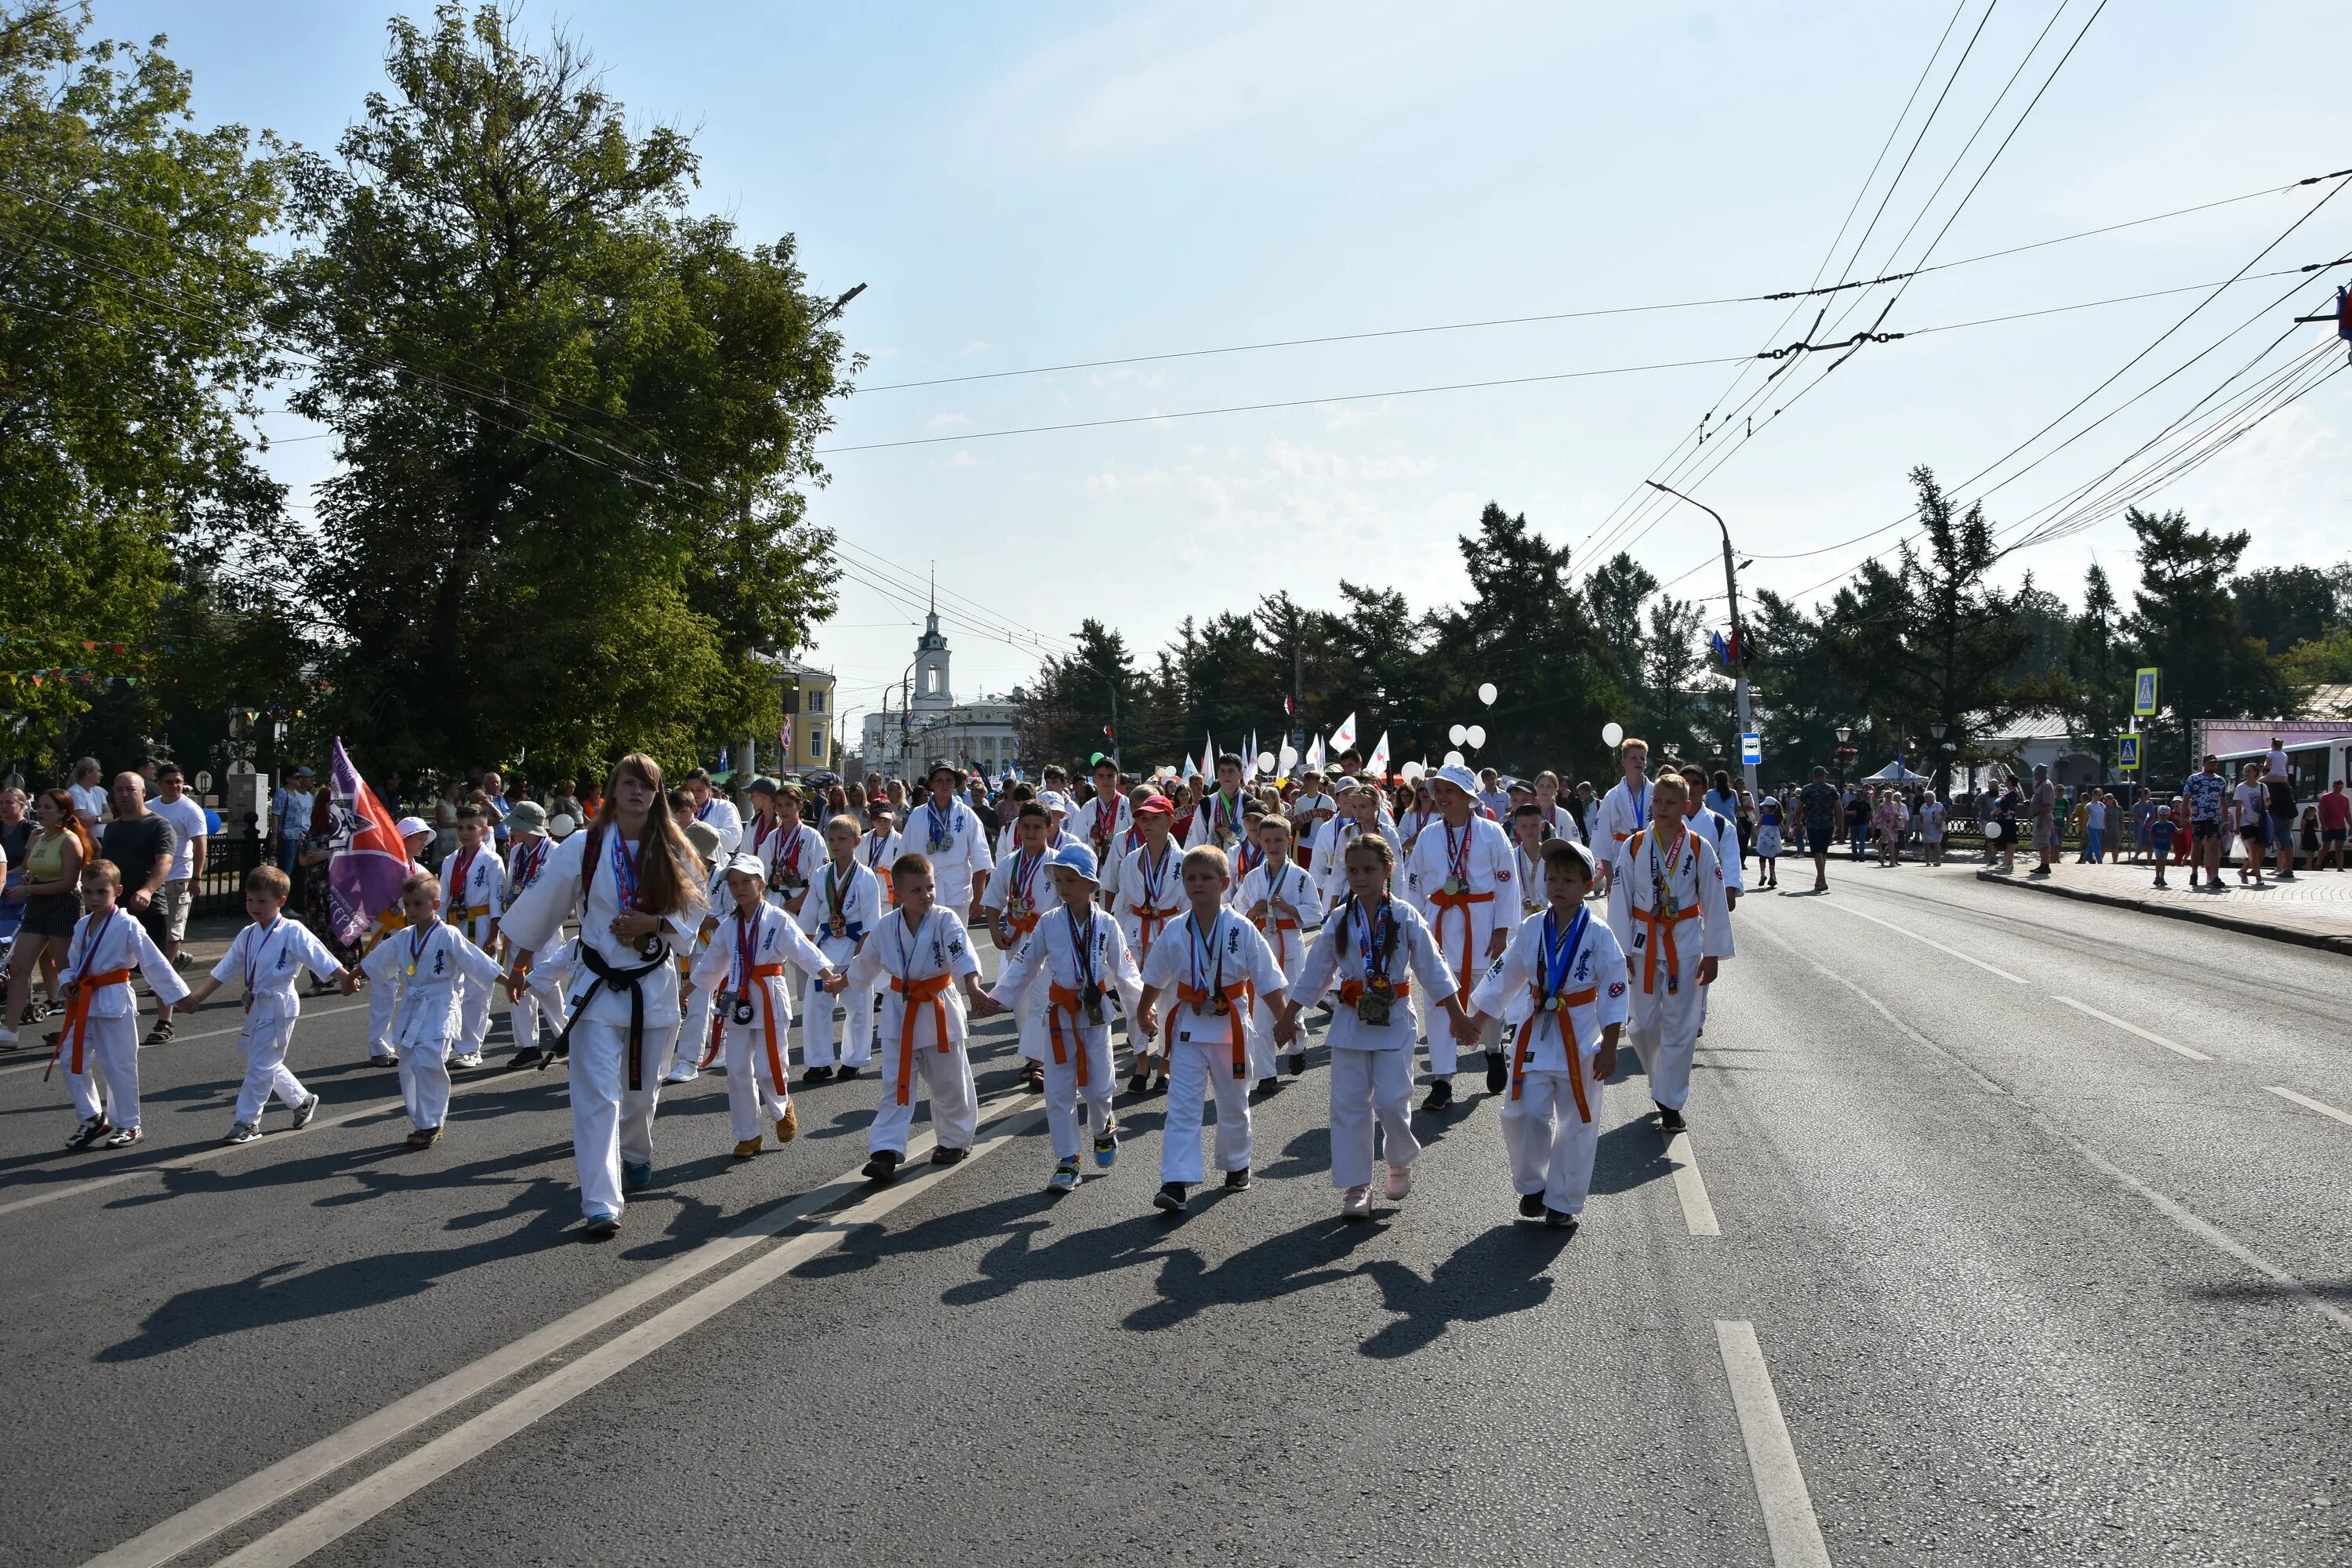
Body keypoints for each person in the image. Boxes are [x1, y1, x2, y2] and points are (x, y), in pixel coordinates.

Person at [499, 753, 707, 1237]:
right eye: (628, 783)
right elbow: (546, 902)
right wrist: (520, 960)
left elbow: (696, 913)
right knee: (595, 1098)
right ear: (614, 791)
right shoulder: (582, 846)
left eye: (647, 786)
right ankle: (599, 1201)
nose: (637, 792)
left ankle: (636, 1153)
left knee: (640, 1096)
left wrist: (654, 923)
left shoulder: (676, 850)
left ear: (656, 796)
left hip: (651, 988)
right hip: (595, 988)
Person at [1285, 833, 1460, 1220]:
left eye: (1369, 869)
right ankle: (1357, 1186)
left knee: (1392, 1102)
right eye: (1353, 870)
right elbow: (1316, 971)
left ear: (1387, 870)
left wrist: (1458, 1014)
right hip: (1351, 1019)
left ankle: (1399, 1159)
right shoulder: (1339, 918)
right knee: (1348, 1105)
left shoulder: (1405, 915)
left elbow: (1433, 967)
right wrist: (1289, 1014)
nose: (1360, 877)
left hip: (1394, 1017)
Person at [1463, 837, 1628, 1231]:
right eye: (1552, 878)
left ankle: (1563, 1201)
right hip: (1536, 1031)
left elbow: (1614, 989)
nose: (1558, 886)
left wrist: (1610, 1045)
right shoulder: (1533, 927)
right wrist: (1476, 1021)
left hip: (1582, 1034)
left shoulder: (1600, 934)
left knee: (1578, 1121)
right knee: (1523, 1112)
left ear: (1589, 886)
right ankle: (1533, 1184)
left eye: (1569, 880)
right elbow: (1505, 977)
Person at [1133, 845, 1291, 1214]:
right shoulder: (1174, 930)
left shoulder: (1241, 928)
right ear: (1183, 884)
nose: (1198, 884)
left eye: (1206, 878)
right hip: (1189, 1026)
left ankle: (1236, 1163)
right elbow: (1155, 977)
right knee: (1182, 1105)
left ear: (1224, 883)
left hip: (1231, 1027)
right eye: (1191, 878)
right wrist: (1143, 1012)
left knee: (1233, 1101)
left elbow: (1267, 980)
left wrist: (1284, 1020)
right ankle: (1176, 1180)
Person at [981, 841, 1143, 1192]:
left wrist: (1143, 1012)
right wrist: (997, 998)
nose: (1064, 887)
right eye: (1059, 881)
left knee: (1099, 1090)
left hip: (1095, 1014)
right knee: (1058, 1092)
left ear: (1090, 885)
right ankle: (1068, 1160)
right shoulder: (1049, 924)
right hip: (1058, 1018)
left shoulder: (1108, 924)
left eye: (1071, 880)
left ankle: (1103, 1128)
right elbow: (1025, 964)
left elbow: (1127, 973)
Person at [181, 865, 357, 1145]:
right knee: (264, 1062)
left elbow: (319, 956)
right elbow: (224, 970)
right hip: (257, 1003)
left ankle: (247, 1121)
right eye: (250, 900)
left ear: (281, 902)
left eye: (263, 901)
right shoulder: (248, 934)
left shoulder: (292, 930)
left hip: (280, 1003)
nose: (255, 906)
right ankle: (302, 1100)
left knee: (260, 1066)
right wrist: (196, 997)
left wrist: (345, 978)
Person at [841, 853, 987, 1184]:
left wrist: (974, 988)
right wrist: (843, 980)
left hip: (937, 1006)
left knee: (949, 1080)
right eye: (918, 890)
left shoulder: (945, 919)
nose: (927, 895)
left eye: (930, 887)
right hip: (900, 1010)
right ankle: (886, 1150)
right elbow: (866, 963)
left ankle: (954, 1140)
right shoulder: (886, 926)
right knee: (896, 1084)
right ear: (899, 895)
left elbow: (962, 954)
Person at [688, 852, 842, 1159]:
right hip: (737, 996)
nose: (739, 888)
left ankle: (783, 1105)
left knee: (769, 1066)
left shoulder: (777, 919)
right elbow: (712, 963)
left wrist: (828, 974)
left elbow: (803, 949)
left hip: (769, 993)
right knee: (737, 1070)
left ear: (760, 883)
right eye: (733, 883)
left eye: (746, 881)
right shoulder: (728, 926)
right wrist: (687, 989)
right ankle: (749, 1134)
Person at [1606, 773, 1732, 1135]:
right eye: (1658, 801)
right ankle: (1660, 1080)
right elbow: (1620, 901)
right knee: (1642, 1025)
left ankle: (1671, 1103)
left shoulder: (1697, 847)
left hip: (1686, 943)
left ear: (1686, 807)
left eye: (1671, 803)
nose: (1662, 808)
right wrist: (1620, 950)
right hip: (1644, 943)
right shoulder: (1633, 846)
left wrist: (1713, 953)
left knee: (1681, 1026)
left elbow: (1713, 898)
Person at [54, 858, 192, 1149]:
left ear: (117, 890)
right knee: (71, 1058)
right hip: (84, 1000)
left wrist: (178, 995)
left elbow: (153, 960)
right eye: (88, 892)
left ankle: (129, 1124)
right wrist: (67, 981)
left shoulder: (127, 924)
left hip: (114, 998)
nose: (94, 898)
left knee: (118, 1064)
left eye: (101, 892)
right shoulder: (82, 926)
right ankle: (92, 1117)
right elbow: (73, 963)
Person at [358, 873, 504, 1148]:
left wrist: (508, 982)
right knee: (410, 1064)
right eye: (408, 905)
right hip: (415, 1005)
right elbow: (379, 960)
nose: (411, 911)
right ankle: (422, 1122)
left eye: (418, 905)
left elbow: (477, 962)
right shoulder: (404, 937)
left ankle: (433, 1121)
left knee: (430, 1060)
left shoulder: (449, 935)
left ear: (435, 905)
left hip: (441, 1005)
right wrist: (353, 974)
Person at [1400, 764, 1514, 1110]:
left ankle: (1493, 1051)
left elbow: (1508, 884)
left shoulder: (1493, 833)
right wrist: (1414, 931)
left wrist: (1501, 930)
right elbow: (1414, 886)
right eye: (1438, 791)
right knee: (1438, 999)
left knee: (1485, 998)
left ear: (1469, 797)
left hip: (1481, 924)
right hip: (1440, 924)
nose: (1443, 797)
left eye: (1450, 791)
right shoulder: (1429, 836)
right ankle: (1442, 1080)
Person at [1234, 813, 1324, 1086]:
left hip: (1290, 946)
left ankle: (1297, 1047)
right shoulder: (1252, 877)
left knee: (1291, 1009)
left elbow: (1317, 913)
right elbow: (1238, 910)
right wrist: (1252, 911)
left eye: (1279, 840)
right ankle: (1266, 1074)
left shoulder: (1300, 876)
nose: (1273, 846)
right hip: (1262, 947)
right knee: (1260, 1012)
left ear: (1289, 840)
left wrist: (1290, 909)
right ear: (1260, 842)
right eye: (1268, 840)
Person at [795, 815, 882, 1083]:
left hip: (855, 946)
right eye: (831, 839)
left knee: (858, 1006)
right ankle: (819, 1062)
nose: (835, 844)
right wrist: (806, 953)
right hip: (826, 950)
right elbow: (808, 918)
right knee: (816, 1005)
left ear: (856, 842)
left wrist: (861, 959)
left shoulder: (866, 877)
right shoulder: (821, 875)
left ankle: (854, 1059)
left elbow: (871, 925)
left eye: (842, 839)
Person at [2, 790, 90, 1046]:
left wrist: (28, 888)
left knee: (65, 970)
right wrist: (29, 879)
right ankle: (10, 1031)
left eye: (47, 807)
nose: (40, 811)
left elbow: (68, 884)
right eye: (39, 806)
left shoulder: (70, 841)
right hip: (37, 904)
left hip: (63, 906)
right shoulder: (37, 836)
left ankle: (75, 1027)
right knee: (19, 967)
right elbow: (29, 868)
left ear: (62, 813)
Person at [98, 772, 180, 1044]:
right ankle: (115, 1019)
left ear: (143, 792)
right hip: (115, 910)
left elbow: (165, 862)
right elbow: (105, 869)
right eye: (119, 790)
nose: (123, 795)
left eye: (130, 790)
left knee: (156, 966)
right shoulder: (112, 828)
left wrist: (147, 889)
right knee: (114, 966)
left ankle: (164, 1022)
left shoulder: (158, 825)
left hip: (149, 907)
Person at [1117, 794, 1186, 1094]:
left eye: (1155, 817)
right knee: (1134, 1000)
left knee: (1170, 1002)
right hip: (1135, 936)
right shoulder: (1131, 860)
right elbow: (1121, 903)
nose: (1147, 823)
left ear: (1171, 820)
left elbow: (1189, 905)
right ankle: (1141, 1060)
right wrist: (1113, 942)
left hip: (1169, 935)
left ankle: (1166, 1063)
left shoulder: (1184, 861)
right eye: (1143, 817)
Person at [500, 802, 568, 1066]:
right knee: (515, 983)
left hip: (546, 926)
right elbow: (512, 883)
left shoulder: (556, 851)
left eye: (515, 824)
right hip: (518, 923)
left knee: (545, 981)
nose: (512, 829)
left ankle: (564, 1034)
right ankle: (528, 1045)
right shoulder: (516, 852)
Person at [437, 804, 505, 1067]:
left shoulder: (492, 860)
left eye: (471, 828)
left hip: (482, 924)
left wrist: (493, 936)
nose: (465, 833)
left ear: (484, 830)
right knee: (454, 985)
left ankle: (470, 1049)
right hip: (455, 924)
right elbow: (442, 899)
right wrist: (439, 930)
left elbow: (499, 901)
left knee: (479, 987)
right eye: (461, 828)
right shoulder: (450, 860)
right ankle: (468, 1031)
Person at [906, 764, 993, 925]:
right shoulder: (917, 815)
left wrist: (979, 898)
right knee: (924, 946)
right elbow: (904, 860)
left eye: (949, 780)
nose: (944, 784)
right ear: (931, 784)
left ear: (955, 784)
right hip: (922, 893)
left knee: (955, 946)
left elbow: (980, 860)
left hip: (957, 892)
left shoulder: (967, 815)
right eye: (939, 780)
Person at [147, 763, 209, 970]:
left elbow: (200, 844)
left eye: (179, 782)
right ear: (159, 783)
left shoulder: (190, 810)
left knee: (173, 929)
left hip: (179, 877)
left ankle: (164, 976)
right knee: (153, 928)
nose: (175, 786)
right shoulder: (150, 807)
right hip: (153, 877)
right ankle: (176, 958)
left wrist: (196, 877)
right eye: (169, 782)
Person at [2181, 755, 2229, 891]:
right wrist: (2183, 817)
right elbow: (2186, 798)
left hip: (2214, 818)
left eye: (2215, 763)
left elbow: (2224, 801)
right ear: (2203, 764)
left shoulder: (2220, 781)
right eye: (2210, 763)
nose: (2212, 766)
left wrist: (2226, 820)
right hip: (2197, 817)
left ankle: (2215, 876)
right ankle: (2194, 872)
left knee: (2214, 846)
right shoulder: (2194, 779)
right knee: (2196, 847)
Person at [1795, 766, 1840, 894]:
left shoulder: (1807, 789)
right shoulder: (1831, 789)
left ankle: (1823, 881)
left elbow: (1799, 809)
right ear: (1823, 776)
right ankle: (1819, 879)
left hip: (1813, 824)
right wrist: (1840, 825)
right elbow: (1838, 808)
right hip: (1828, 824)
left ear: (1814, 776)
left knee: (1818, 852)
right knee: (1823, 852)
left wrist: (1798, 822)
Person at [681, 767, 744, 858]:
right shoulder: (679, 810)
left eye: (700, 790)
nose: (695, 794)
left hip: (714, 866)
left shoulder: (724, 807)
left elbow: (733, 838)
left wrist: (698, 832)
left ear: (709, 787)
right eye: (691, 790)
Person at [2231, 761, 2270, 886]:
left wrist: (2264, 805)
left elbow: (2268, 802)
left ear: (2255, 772)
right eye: (2245, 771)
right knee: (2253, 849)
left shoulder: (2262, 787)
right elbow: (2237, 808)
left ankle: (2243, 871)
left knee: (2259, 851)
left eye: (2249, 770)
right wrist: (2237, 825)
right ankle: (2258, 877)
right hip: (2246, 821)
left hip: (2260, 821)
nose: (2246, 773)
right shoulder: (2241, 788)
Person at [69, 757, 109, 833]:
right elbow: (84, 825)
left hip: (104, 840)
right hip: (93, 843)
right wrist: (98, 846)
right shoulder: (75, 793)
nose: (102, 775)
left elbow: (110, 816)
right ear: (88, 773)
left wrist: (95, 819)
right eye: (98, 771)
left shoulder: (98, 792)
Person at [1751, 795, 1782, 889]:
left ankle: (1762, 875)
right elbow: (1783, 828)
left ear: (1767, 807)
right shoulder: (1777, 817)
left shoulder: (1763, 816)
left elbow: (1757, 827)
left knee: (1762, 858)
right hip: (1773, 842)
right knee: (1772, 858)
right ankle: (1772, 875)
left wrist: (1754, 823)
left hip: (1764, 842)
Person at [2321, 780, 2350, 873]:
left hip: (2340, 827)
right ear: (2333, 786)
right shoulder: (2325, 797)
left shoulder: (2345, 799)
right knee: (2326, 847)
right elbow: (2321, 813)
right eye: (2337, 787)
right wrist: (2323, 824)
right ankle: (2318, 862)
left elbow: (2347, 813)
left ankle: (2340, 867)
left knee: (2339, 848)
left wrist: (2351, 825)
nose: (2338, 789)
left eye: (2340, 788)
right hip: (2328, 827)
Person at [1918, 789, 1945, 867]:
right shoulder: (1923, 806)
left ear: (1932, 797)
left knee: (1936, 842)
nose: (1925, 798)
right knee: (1927, 843)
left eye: (1927, 797)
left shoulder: (1938, 805)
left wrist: (1941, 822)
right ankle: (1927, 860)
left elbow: (1944, 814)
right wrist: (1921, 826)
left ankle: (1938, 860)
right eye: (1925, 797)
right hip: (1926, 827)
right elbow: (1921, 818)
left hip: (1936, 827)